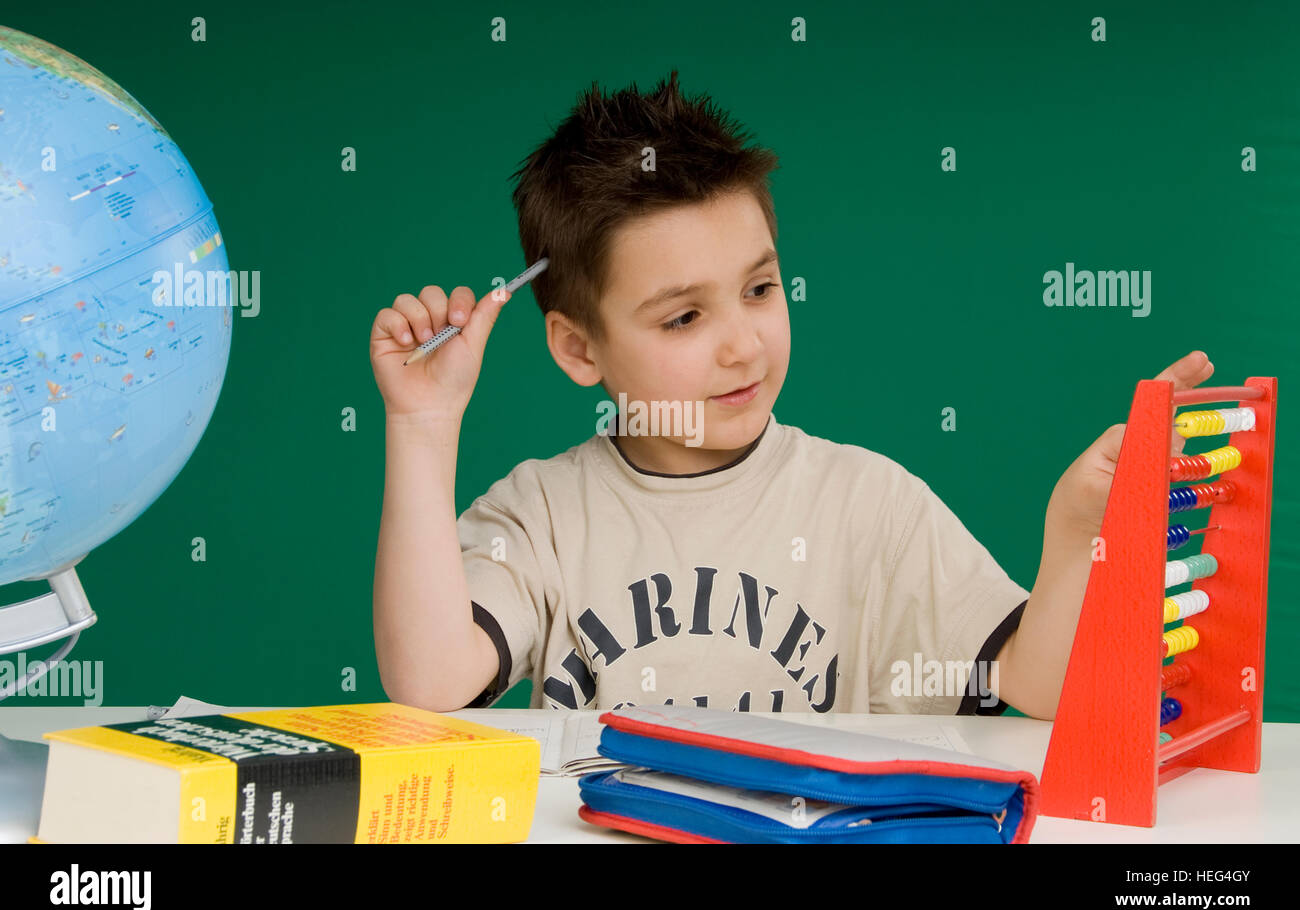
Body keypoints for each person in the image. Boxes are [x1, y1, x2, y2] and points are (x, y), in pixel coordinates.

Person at [370, 70, 1214, 716]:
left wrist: (1073, 541)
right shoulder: (544, 517)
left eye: (761, 290)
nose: (743, 343)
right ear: (578, 347)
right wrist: (422, 422)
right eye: (683, 318)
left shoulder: (867, 504)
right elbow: (430, 682)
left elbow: (1038, 685)